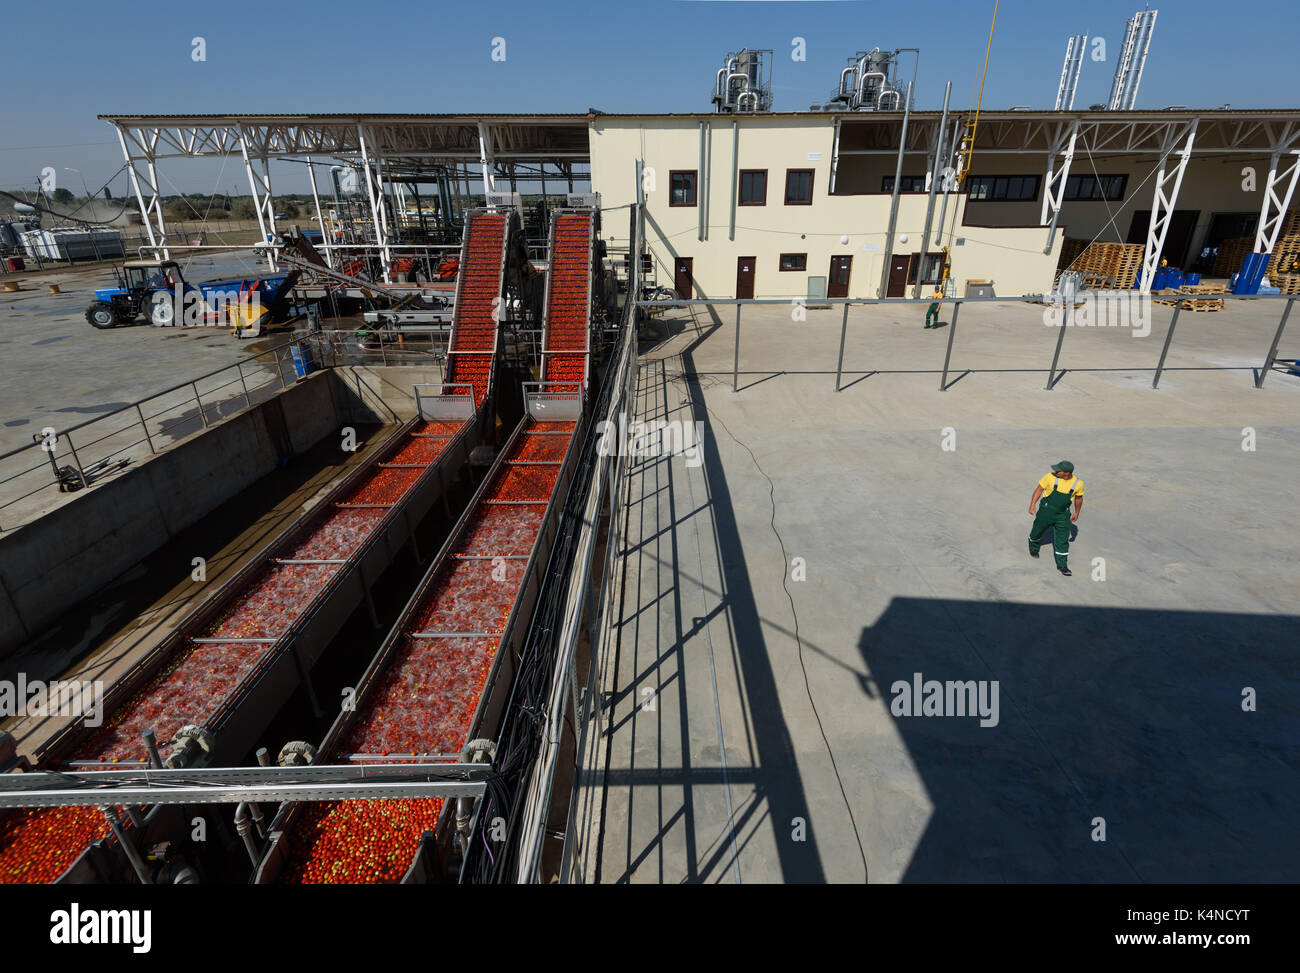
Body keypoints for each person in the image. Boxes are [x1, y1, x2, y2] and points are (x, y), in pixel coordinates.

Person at [1027, 460, 1083, 576]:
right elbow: (1039, 490)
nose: (1055, 471)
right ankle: (1033, 546)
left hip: (1062, 515)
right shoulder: (1049, 477)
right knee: (1037, 530)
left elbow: (1078, 499)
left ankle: (1062, 565)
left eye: (1059, 470)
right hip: (1046, 511)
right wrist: (1032, 504)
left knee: (1062, 540)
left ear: (1066, 473)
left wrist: (1077, 512)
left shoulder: (1078, 484)